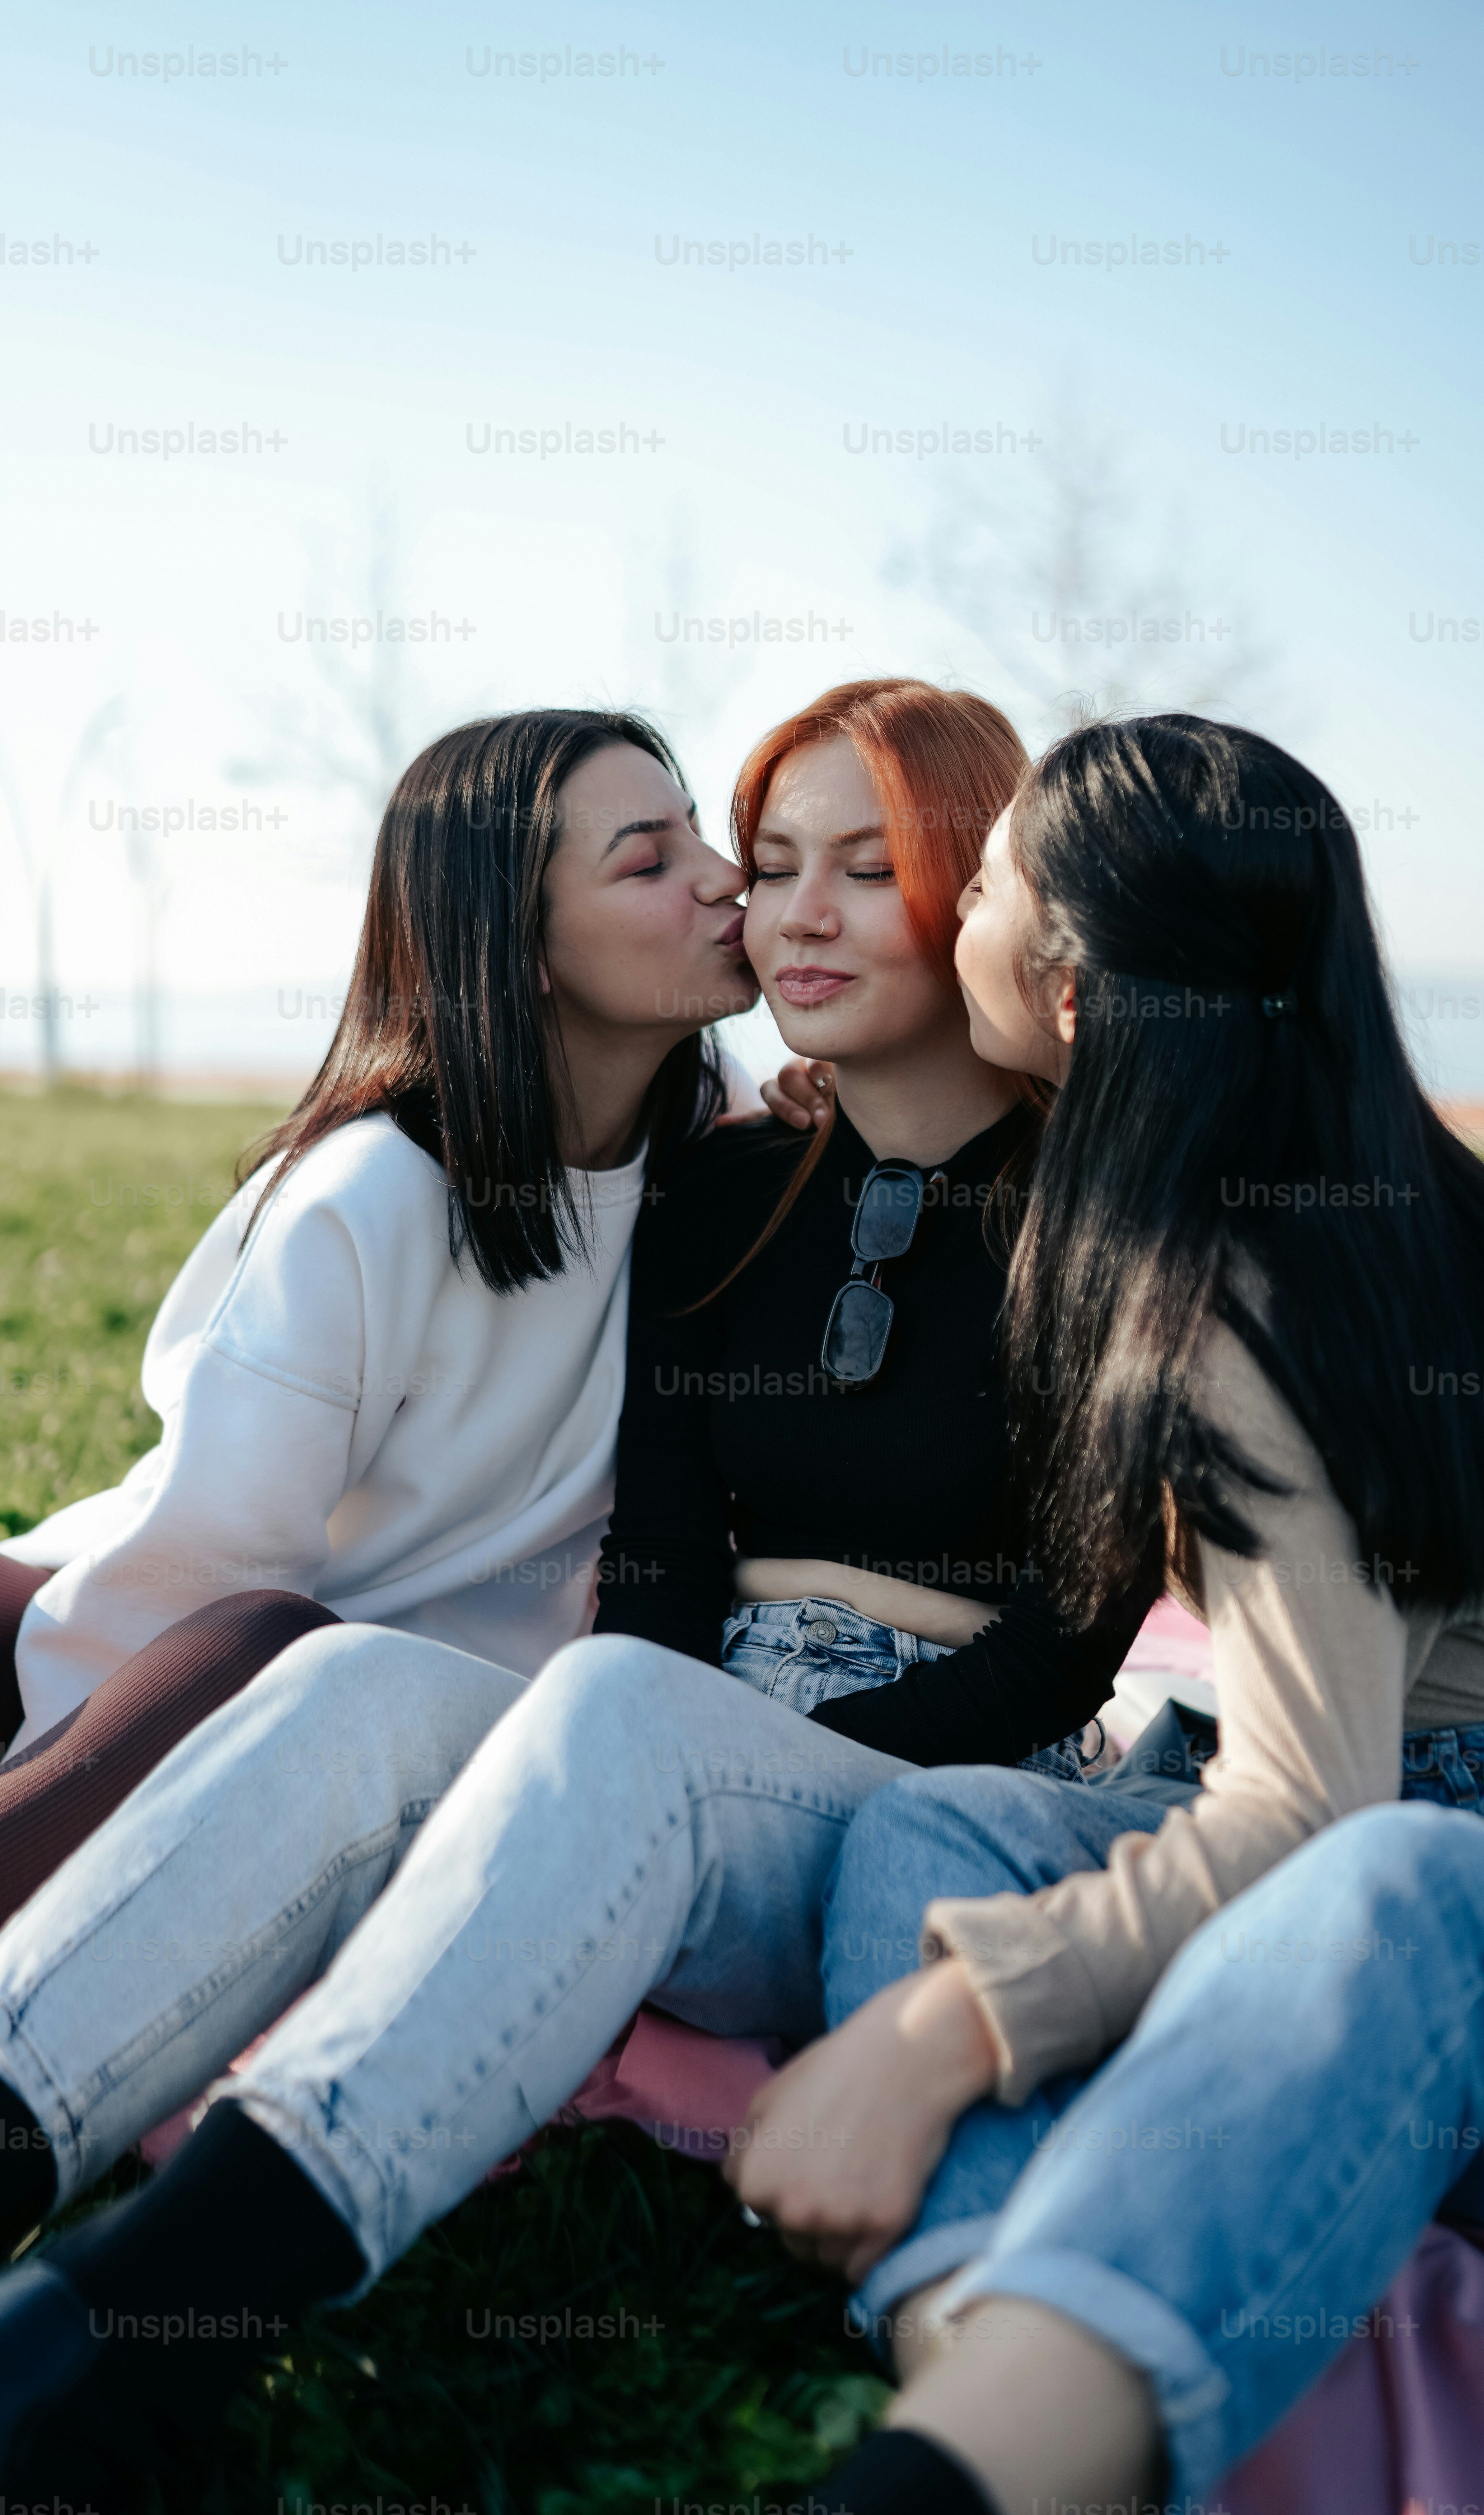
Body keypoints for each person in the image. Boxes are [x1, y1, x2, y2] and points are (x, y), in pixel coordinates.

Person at [0, 680, 1160, 2501]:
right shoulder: (724, 1189)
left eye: (870, 869)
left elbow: (1068, 1635)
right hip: (641, 1741)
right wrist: (630, 1737)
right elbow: (661, 1571)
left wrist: (723, 1736)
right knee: (351, 1684)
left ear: (990, 893)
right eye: (769, 863)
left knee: (615, 1709)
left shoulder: (1113, 1212)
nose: (784, 907)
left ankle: (150, 2340)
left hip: (930, 1789)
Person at [718, 715, 1484, 2515]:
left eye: (985, 880)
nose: (951, 903)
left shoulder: (1260, 1284)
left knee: (1395, 1896)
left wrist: (944, 2033)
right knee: (934, 1825)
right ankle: (1000, 2362)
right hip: (1386, 1811)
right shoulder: (1241, 1178)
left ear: (1071, 992)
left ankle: (950, 2478)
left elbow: (1321, 1817)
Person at [0, 707, 820, 1921]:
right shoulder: (370, 1197)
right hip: (173, 1627)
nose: (724, 879)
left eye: (698, 830)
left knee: (286, 1652)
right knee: (249, 1638)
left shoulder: (712, 1127)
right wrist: (76, 1765)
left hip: (383, 1686)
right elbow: (207, 1560)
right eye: (649, 861)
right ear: (520, 950)